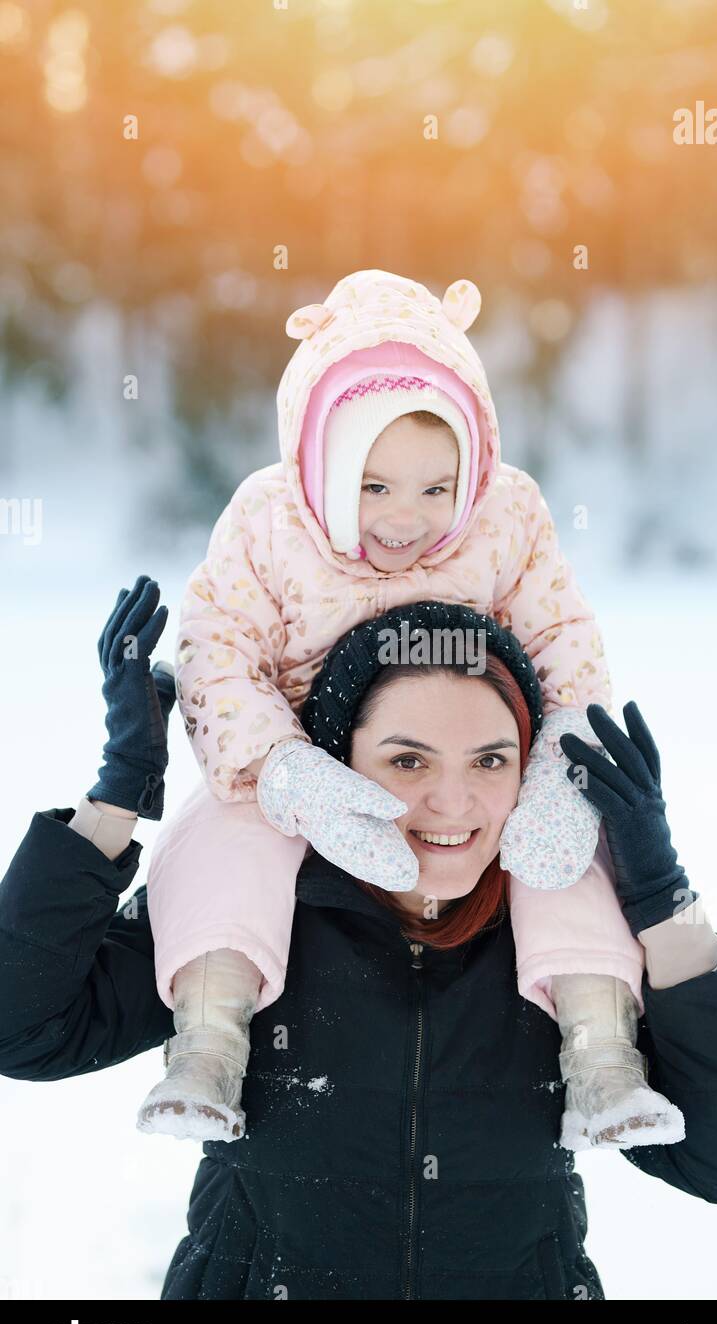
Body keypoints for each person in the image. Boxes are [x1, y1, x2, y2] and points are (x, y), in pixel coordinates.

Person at [0, 590, 717, 1300]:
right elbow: (26, 1027)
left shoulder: (575, 939)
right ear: (339, 761)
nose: (452, 801)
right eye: (407, 758)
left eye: (491, 760)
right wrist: (117, 796)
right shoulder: (244, 908)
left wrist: (661, 902)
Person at [130, 266, 678, 1148]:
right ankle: (207, 1040)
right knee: (224, 848)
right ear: (320, 464)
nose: (405, 518)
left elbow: (564, 641)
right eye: (372, 485)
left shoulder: (507, 517)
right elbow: (218, 650)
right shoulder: (272, 521)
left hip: (457, 764)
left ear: (473, 470)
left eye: (435, 488)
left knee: (562, 856)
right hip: (300, 762)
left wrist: (554, 770)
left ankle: (603, 1056)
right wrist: (279, 768)